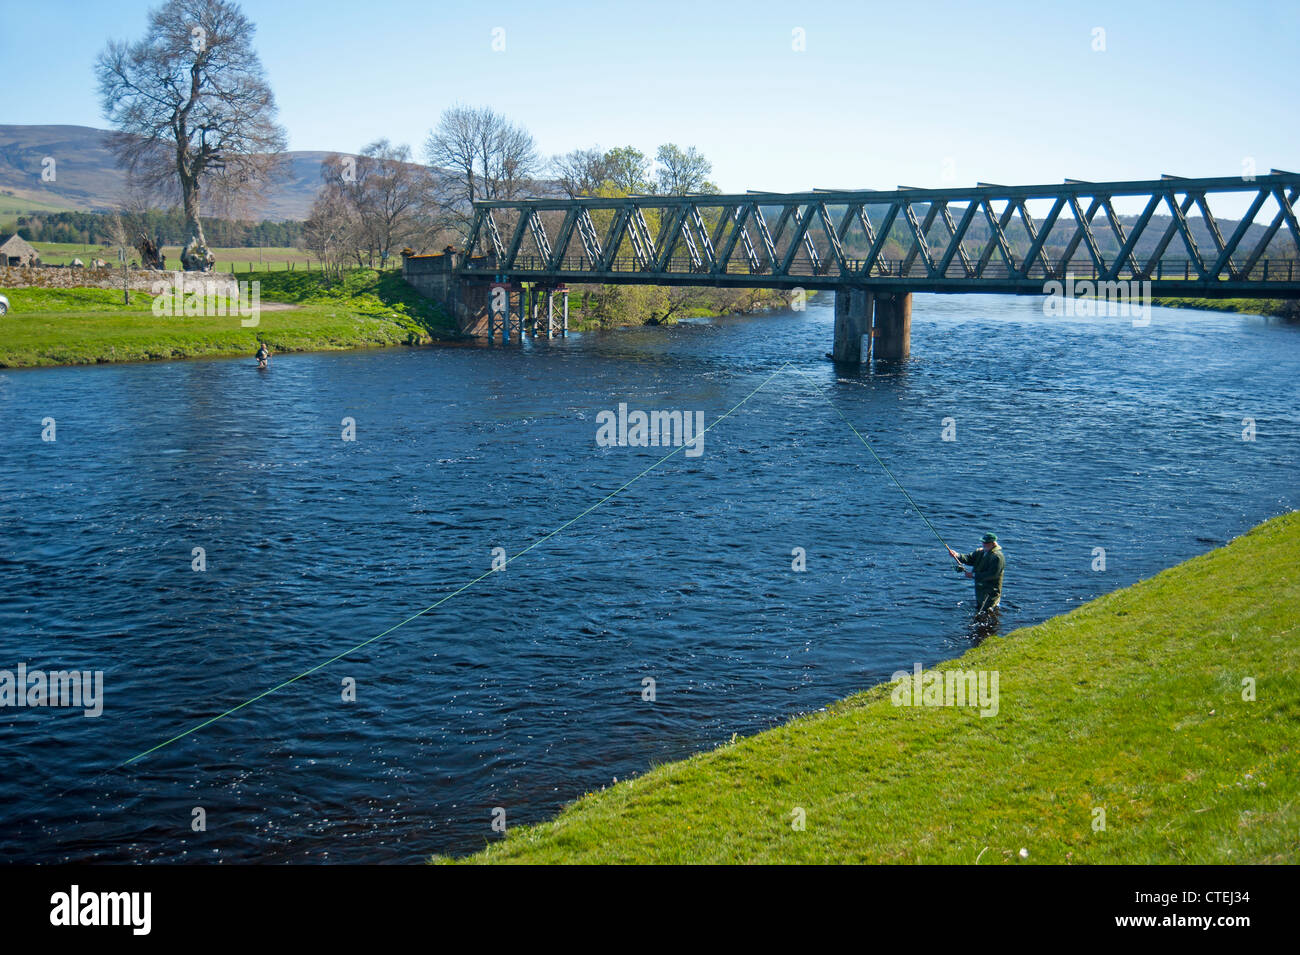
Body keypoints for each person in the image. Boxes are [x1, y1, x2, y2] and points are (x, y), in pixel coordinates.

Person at [948, 533, 1005, 616]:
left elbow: (993, 575)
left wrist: (973, 575)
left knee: (989, 610)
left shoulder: (997, 557)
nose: (984, 544)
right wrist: (957, 555)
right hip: (980, 589)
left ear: (993, 543)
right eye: (983, 542)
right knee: (981, 609)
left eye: (986, 543)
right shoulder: (981, 552)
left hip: (991, 590)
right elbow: (969, 559)